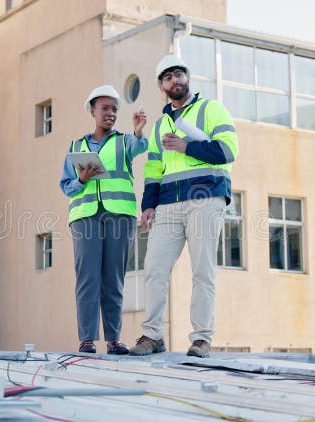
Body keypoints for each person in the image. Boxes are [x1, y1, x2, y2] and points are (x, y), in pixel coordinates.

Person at [129, 56, 238, 358]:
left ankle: (201, 338)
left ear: (187, 78)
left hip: (206, 198)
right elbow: (153, 168)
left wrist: (186, 146)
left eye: (179, 74)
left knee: (203, 270)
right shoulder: (160, 124)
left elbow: (229, 151)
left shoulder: (211, 109)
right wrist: (148, 205)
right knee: (153, 269)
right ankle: (152, 336)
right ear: (161, 86)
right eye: (168, 77)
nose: (174, 80)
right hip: (167, 205)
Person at [59, 85, 148, 354]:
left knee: (113, 278)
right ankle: (87, 339)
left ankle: (113, 340)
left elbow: (140, 146)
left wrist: (139, 129)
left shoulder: (125, 141)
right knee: (88, 278)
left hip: (119, 216)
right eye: (105, 108)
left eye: (114, 109)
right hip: (85, 216)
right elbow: (66, 186)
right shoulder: (76, 146)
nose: (110, 113)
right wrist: (81, 179)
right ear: (93, 111)